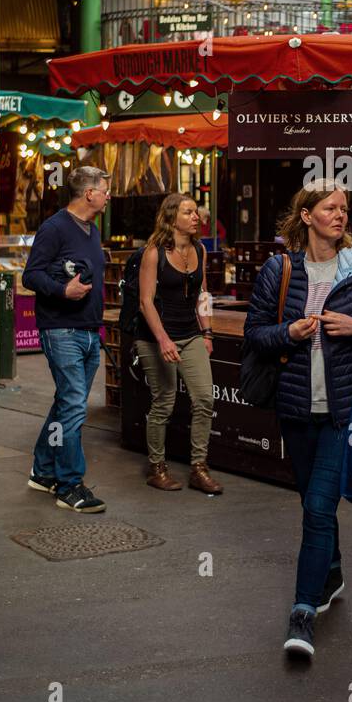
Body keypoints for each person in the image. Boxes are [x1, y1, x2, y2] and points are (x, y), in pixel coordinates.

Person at [243, 180, 352, 659]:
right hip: (295, 408)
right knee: (315, 503)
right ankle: (330, 570)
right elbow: (254, 335)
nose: (340, 215)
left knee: (316, 509)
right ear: (306, 216)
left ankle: (302, 613)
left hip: (342, 411)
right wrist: (288, 332)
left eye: (344, 209)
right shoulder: (279, 269)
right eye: (329, 208)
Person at [22, 166, 111, 513]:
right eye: (105, 190)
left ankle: (43, 472)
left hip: (89, 331)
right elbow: (31, 275)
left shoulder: (92, 230)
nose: (108, 196)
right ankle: (69, 484)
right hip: (61, 330)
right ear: (89, 193)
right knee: (74, 405)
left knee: (66, 403)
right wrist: (63, 290)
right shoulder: (54, 228)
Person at [135, 193, 221, 494]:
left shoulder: (200, 249)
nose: (196, 217)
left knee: (204, 399)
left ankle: (199, 468)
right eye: (189, 212)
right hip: (155, 336)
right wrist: (163, 339)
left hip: (190, 333)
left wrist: (207, 332)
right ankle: (156, 468)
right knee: (164, 401)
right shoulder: (154, 252)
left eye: (196, 212)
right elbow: (145, 302)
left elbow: (203, 294)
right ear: (172, 218)